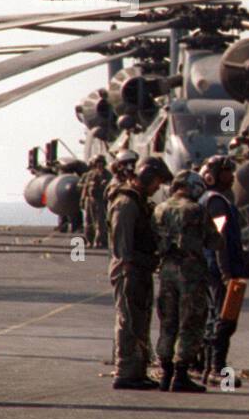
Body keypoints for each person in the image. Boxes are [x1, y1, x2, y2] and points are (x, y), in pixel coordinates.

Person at [108, 156, 172, 390]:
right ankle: (125, 371)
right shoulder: (126, 203)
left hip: (140, 268)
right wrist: (126, 267)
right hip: (129, 269)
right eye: (156, 181)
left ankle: (137, 370)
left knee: (140, 319)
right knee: (128, 320)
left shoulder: (140, 201)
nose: (157, 187)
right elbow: (121, 240)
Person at [153, 170, 219, 393]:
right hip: (190, 273)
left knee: (168, 320)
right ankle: (181, 374)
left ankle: (165, 374)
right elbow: (214, 241)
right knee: (190, 321)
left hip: (166, 271)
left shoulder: (159, 209)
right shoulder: (196, 210)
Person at [200, 154, 245, 384]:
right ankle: (216, 368)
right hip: (218, 270)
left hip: (217, 268)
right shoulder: (216, 201)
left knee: (216, 316)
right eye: (227, 171)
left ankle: (209, 367)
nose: (232, 175)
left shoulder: (217, 199)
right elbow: (220, 238)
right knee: (223, 318)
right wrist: (226, 272)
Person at [79, 155, 111, 249]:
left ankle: (99, 241)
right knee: (88, 222)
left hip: (100, 200)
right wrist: (82, 199)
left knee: (100, 222)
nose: (99, 164)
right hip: (90, 200)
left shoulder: (107, 175)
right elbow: (85, 187)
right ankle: (90, 241)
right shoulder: (89, 174)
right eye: (97, 162)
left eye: (101, 162)